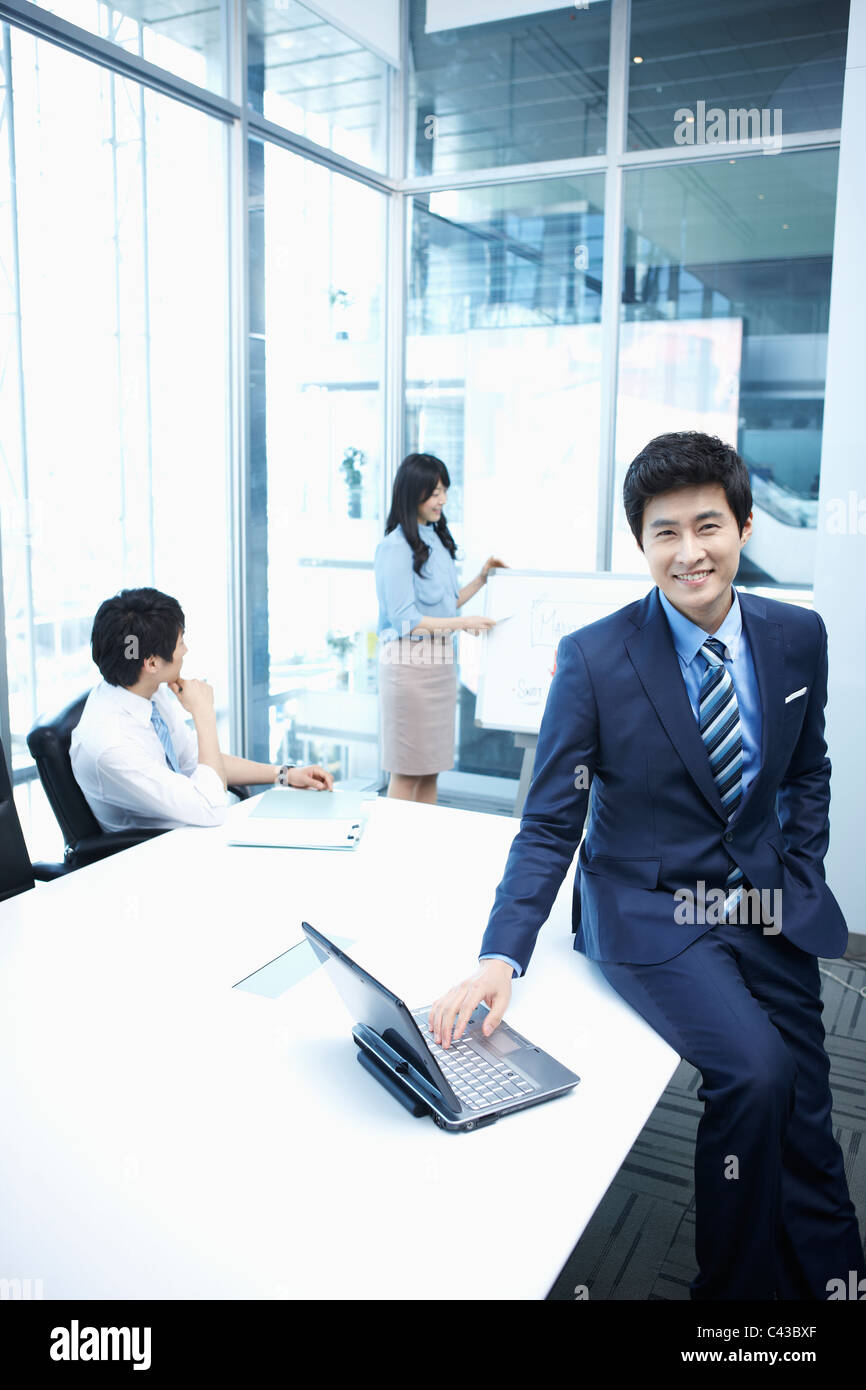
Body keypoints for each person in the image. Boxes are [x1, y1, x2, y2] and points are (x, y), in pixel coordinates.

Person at [428, 431, 865, 1302]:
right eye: (665, 532)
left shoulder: (797, 636)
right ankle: (733, 1306)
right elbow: (551, 821)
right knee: (756, 1073)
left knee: (809, 1099)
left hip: (762, 901)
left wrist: (797, 865)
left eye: (708, 525)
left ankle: (831, 1282)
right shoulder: (595, 659)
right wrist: (501, 952)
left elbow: (808, 769)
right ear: (643, 545)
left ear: (744, 526)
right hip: (650, 908)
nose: (689, 550)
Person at [71, 587, 332, 832]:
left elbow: (195, 760)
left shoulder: (144, 692)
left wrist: (285, 775)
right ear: (151, 663)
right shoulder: (112, 745)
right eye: (180, 642)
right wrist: (203, 713)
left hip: (192, 832)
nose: (186, 650)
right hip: (151, 858)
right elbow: (211, 808)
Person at [374, 453, 505, 803]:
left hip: (439, 666)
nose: (442, 500)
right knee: (406, 771)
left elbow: (444, 605)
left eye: (444, 490)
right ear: (412, 493)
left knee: (431, 769)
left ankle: (422, 849)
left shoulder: (435, 540)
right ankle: (390, 851)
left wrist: (481, 579)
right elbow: (406, 618)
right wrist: (463, 624)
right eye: (434, 492)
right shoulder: (394, 547)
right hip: (408, 667)